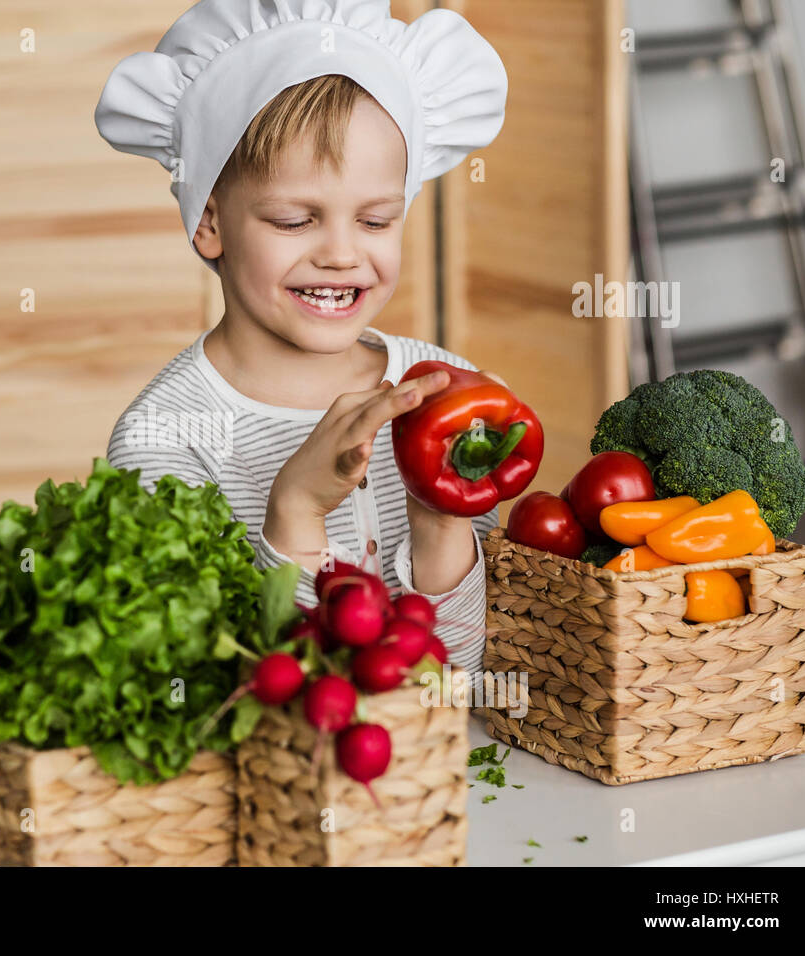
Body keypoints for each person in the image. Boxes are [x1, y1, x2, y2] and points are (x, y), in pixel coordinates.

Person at [95, 0, 508, 673]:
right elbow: (232, 700)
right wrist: (294, 511)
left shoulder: (444, 384)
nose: (343, 254)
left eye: (376, 221)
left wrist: (440, 520)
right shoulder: (166, 438)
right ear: (208, 221)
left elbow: (459, 684)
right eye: (294, 220)